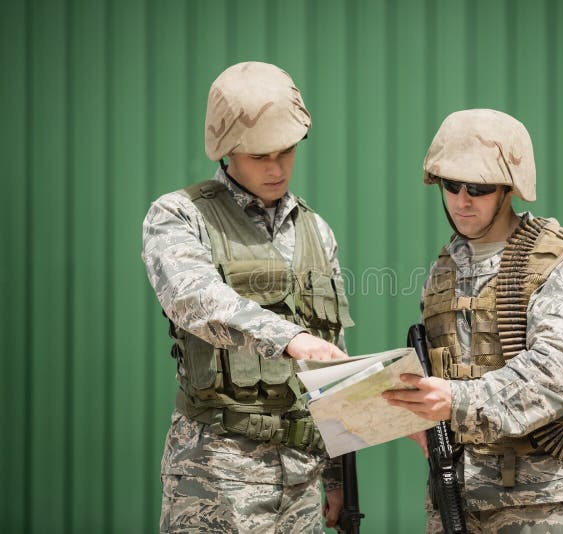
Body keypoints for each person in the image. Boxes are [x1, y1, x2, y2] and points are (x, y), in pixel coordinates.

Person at [142, 61, 354, 533]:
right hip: (215, 473)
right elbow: (193, 299)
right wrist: (290, 338)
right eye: (261, 156)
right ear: (226, 152)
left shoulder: (315, 230)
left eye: (286, 152)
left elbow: (333, 355)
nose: (277, 168)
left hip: (301, 478)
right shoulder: (179, 216)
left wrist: (339, 476)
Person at [384, 109, 563, 533]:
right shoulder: (444, 269)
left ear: (509, 189)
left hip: (545, 508)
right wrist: (416, 413)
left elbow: (558, 373)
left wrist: (455, 401)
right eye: (451, 186)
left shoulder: (557, 261)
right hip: (455, 502)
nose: (461, 200)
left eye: (478, 187)